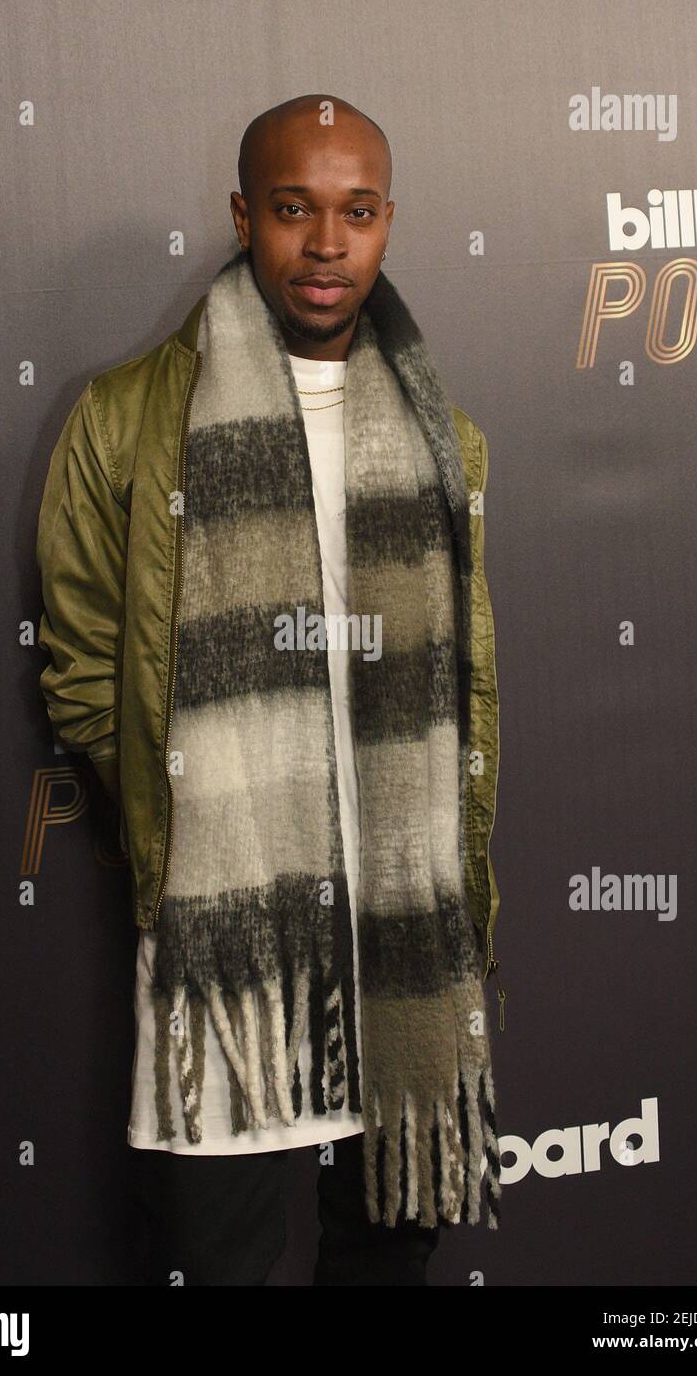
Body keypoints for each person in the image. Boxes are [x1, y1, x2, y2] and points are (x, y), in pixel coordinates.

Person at [36, 93, 504, 1287]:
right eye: (293, 209)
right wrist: (189, 812)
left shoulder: (442, 437)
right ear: (243, 215)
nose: (325, 243)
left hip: (399, 945)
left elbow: (466, 686)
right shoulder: (129, 421)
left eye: (355, 212)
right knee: (218, 1261)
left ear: (388, 223)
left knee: (387, 1256)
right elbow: (87, 669)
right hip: (228, 958)